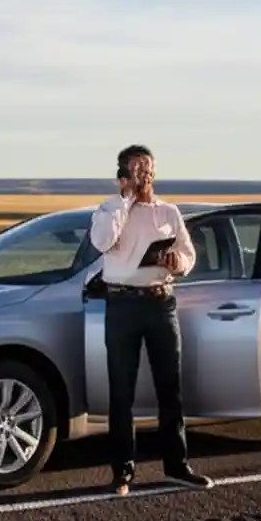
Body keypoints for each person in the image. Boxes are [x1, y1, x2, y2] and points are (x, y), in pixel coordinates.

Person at [89, 144, 213, 496]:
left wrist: (179, 263)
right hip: (122, 307)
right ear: (123, 177)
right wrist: (125, 200)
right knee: (121, 391)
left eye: (149, 169)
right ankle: (123, 472)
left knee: (170, 388)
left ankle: (176, 465)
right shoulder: (109, 211)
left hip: (161, 304)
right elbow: (102, 242)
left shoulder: (169, 212)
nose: (146, 175)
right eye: (138, 170)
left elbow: (189, 254)